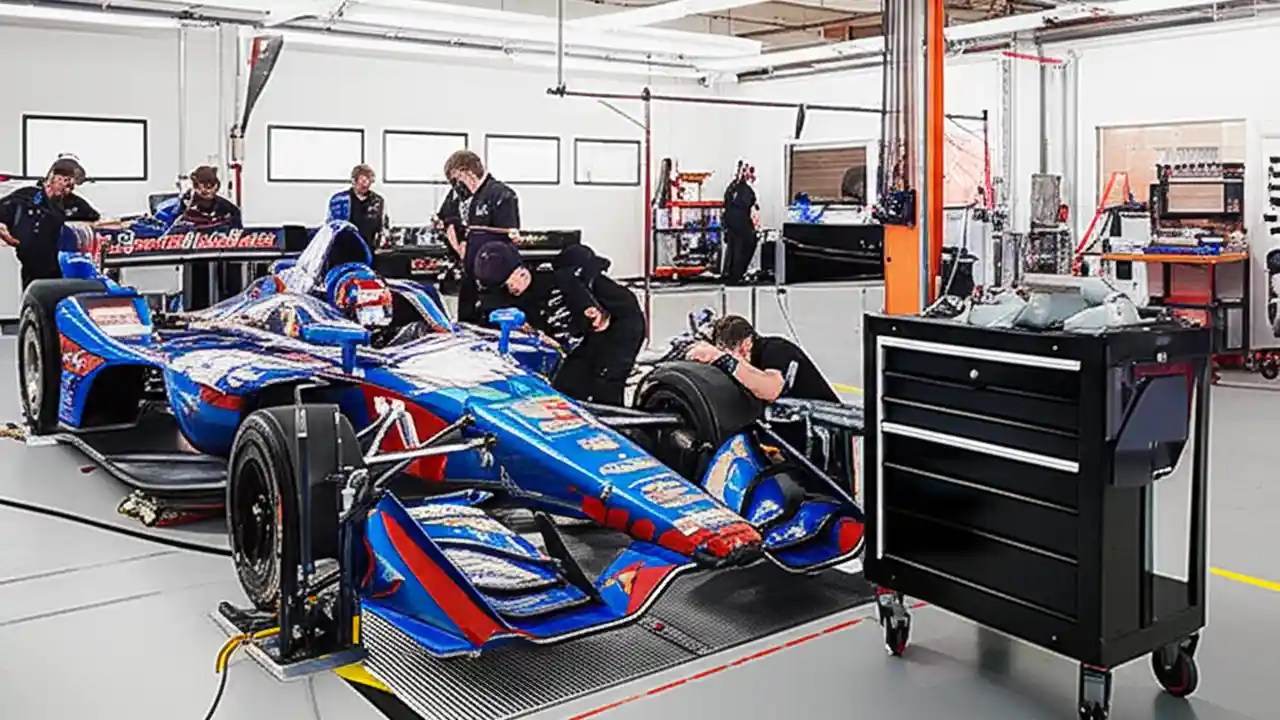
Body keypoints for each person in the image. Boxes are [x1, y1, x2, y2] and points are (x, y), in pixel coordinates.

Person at [474, 241, 644, 406]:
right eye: (504, 288)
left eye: (511, 284)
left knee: (606, 386)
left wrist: (591, 311)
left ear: (522, 271)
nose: (511, 290)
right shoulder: (506, 298)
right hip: (581, 341)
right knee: (566, 391)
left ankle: (617, 429)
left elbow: (602, 305)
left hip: (619, 324)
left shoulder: (563, 277)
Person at [685, 314, 837, 404]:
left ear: (746, 346)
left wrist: (722, 359)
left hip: (830, 437)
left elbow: (770, 389)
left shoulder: (776, 349)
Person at [443, 149, 520, 324]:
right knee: (467, 322)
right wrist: (460, 244)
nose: (456, 186)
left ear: (467, 173)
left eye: (457, 180)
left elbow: (508, 243)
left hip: (492, 281)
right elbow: (453, 222)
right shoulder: (470, 199)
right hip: (471, 274)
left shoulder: (502, 194)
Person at [0, 157, 100, 288]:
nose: (69, 190)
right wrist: (6, 235)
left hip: (65, 270)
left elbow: (96, 222)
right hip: (33, 271)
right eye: (66, 183)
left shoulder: (75, 203)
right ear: (54, 176)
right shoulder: (26, 196)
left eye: (72, 186)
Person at [328, 164, 389, 247]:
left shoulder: (378, 201)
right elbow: (332, 227)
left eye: (369, 181)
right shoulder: (339, 200)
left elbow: (383, 227)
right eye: (363, 181)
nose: (366, 185)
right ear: (353, 181)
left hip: (370, 249)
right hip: (344, 249)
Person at [721, 161, 760, 285]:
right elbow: (749, 206)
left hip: (735, 223)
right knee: (742, 246)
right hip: (739, 224)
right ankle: (736, 275)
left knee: (737, 248)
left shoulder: (734, 188)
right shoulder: (739, 189)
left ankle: (735, 274)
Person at [177, 166, 242, 227]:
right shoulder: (182, 207)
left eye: (212, 183)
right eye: (204, 183)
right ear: (195, 186)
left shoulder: (229, 210)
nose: (209, 188)